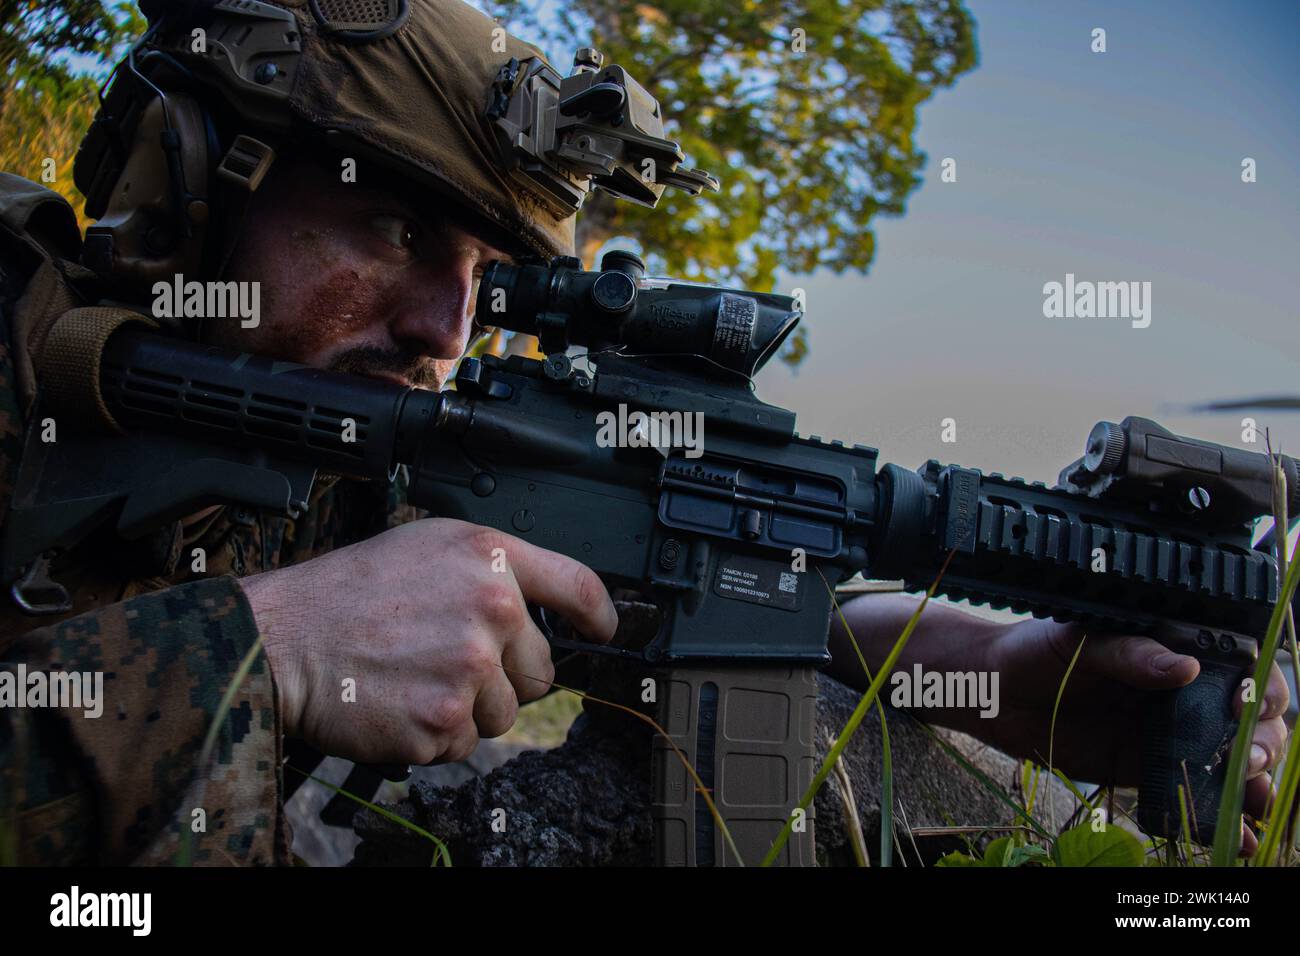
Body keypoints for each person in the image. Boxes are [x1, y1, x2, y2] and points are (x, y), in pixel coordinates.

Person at [0, 0, 1286, 866]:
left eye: (488, 267)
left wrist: (991, 663)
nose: (448, 322)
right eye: (396, 230)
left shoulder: (367, 458)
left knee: (885, 746)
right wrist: (264, 647)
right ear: (196, 168)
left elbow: (691, 606)